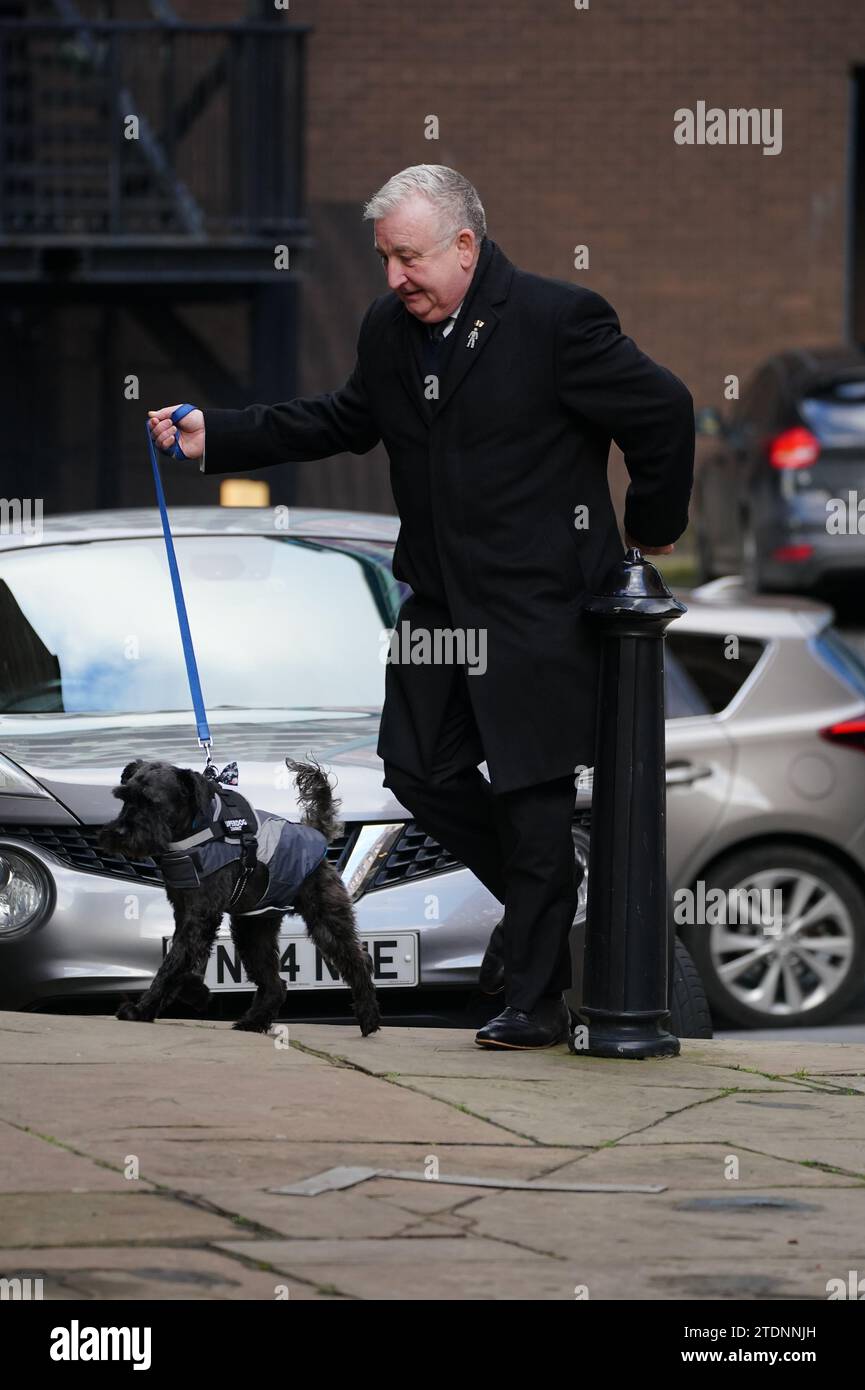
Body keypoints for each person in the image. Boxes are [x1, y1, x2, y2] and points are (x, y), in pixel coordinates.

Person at [149, 163, 694, 1050]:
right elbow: (343, 419)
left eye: (409, 258)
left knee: (531, 801)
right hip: (440, 610)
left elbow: (665, 410)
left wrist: (652, 529)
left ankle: (538, 995)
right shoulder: (389, 329)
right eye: (385, 260)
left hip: (537, 611)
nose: (395, 277)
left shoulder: (560, 321)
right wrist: (225, 433)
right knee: (417, 770)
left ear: (465, 246)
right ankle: (540, 902)